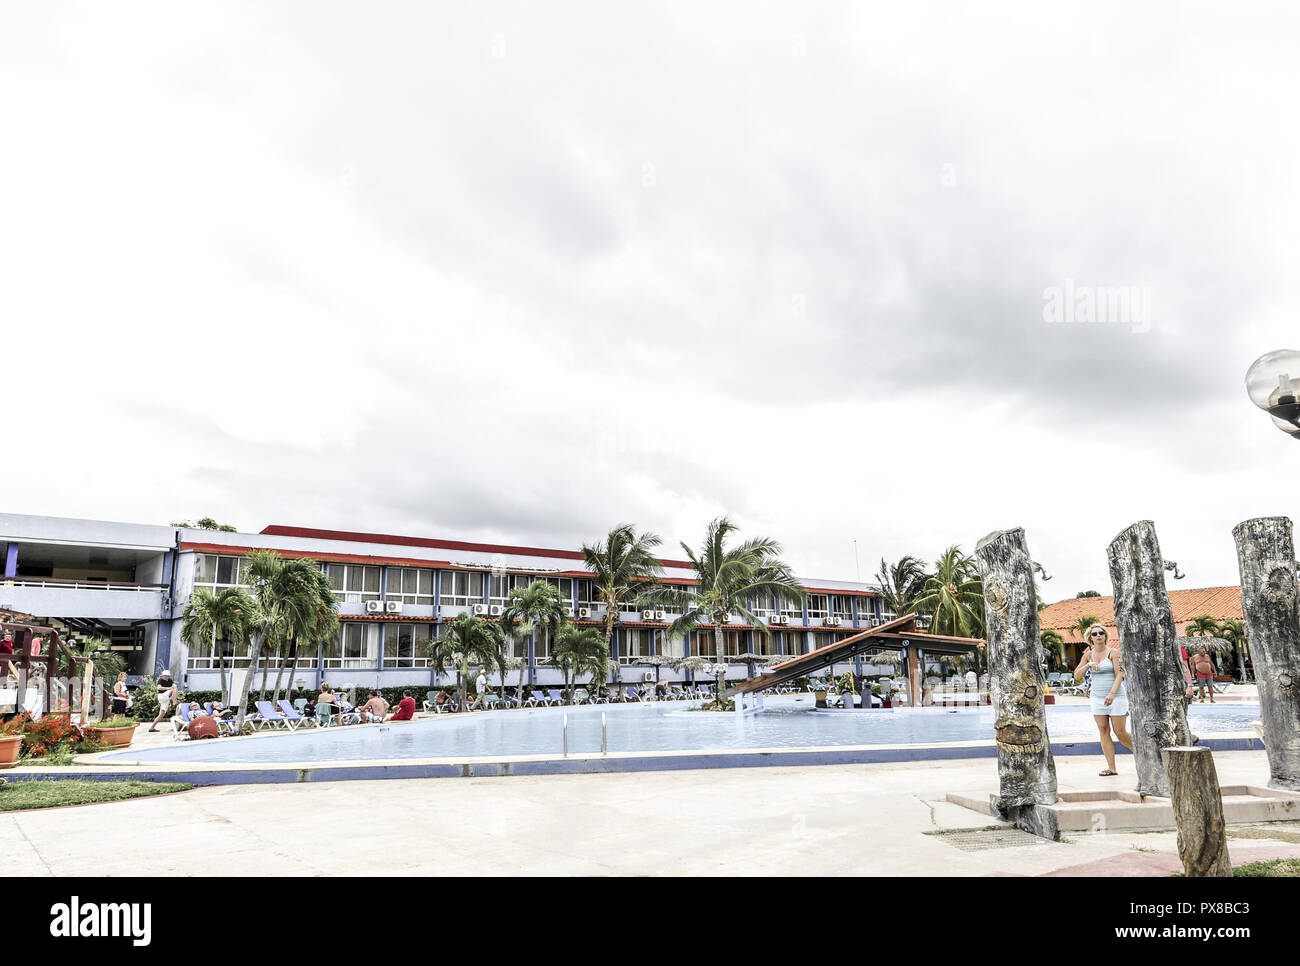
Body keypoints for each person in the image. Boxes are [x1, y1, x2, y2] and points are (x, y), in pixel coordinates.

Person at [1073, 624, 1133, 776]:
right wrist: (1087, 665)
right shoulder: (1088, 655)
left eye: (1101, 633)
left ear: (1105, 636)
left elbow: (1120, 674)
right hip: (1097, 698)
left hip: (1116, 696)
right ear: (1090, 638)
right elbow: (1076, 676)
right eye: (1095, 634)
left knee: (1120, 732)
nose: (1098, 636)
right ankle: (1111, 768)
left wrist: (1112, 693)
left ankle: (1144, 755)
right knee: (1103, 730)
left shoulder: (1114, 652)